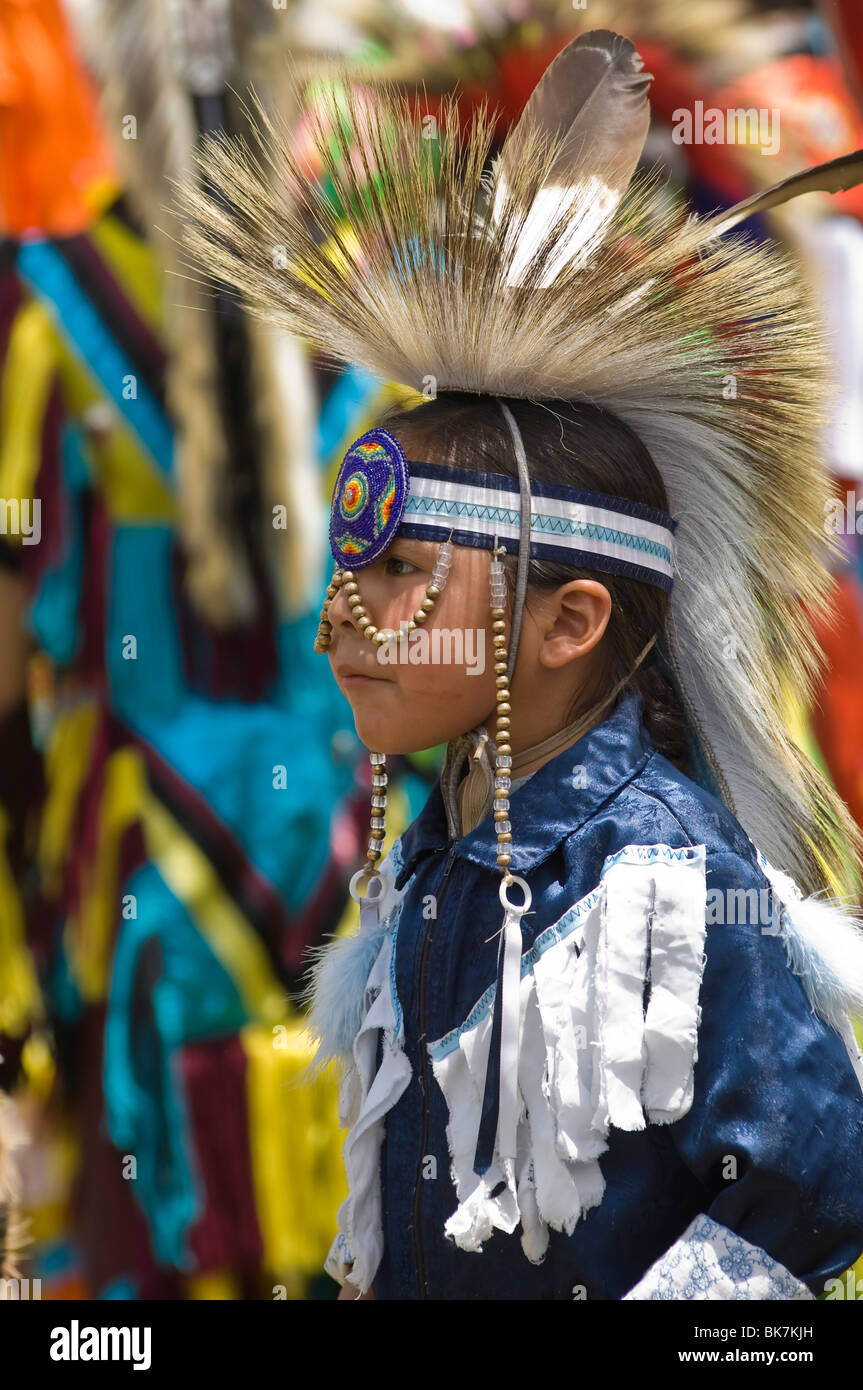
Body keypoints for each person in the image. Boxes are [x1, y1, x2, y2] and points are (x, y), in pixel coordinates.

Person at [180, 29, 863, 1299]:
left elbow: (812, 1191)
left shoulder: (667, 877)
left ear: (569, 622)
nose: (342, 617)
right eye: (348, 569)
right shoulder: (437, 853)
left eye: (400, 576)